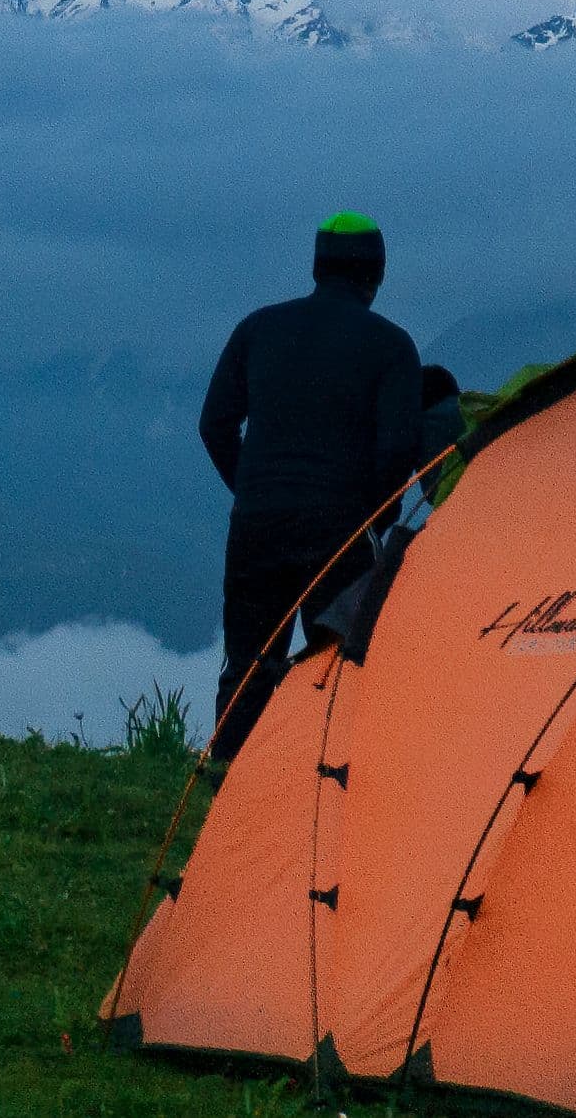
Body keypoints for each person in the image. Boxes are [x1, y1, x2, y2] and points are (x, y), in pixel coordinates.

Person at [198, 212, 424, 763]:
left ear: (317, 268)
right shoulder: (392, 347)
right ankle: (323, 779)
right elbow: (398, 450)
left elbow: (214, 425)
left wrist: (251, 489)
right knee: (340, 660)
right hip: (342, 531)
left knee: (249, 659)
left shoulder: (257, 328)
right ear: (378, 274)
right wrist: (379, 515)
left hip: (258, 523)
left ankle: (228, 780)